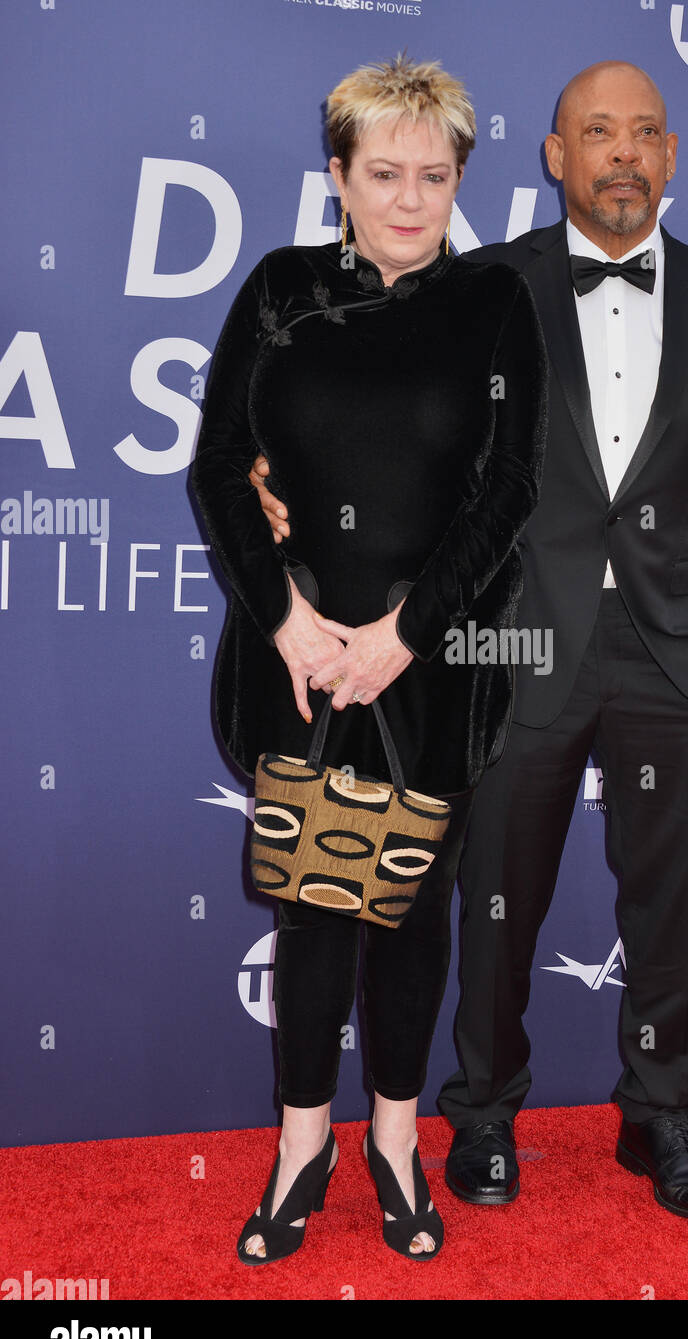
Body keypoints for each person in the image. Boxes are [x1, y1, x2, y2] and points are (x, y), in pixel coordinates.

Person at [252, 59, 688, 1224]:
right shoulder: (484, 286)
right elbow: (390, 438)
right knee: (495, 894)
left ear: (671, 155)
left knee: (675, 908)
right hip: (510, 646)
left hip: (681, 652)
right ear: (555, 156)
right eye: (595, 131)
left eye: (644, 132)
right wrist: (270, 476)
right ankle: (483, 1112)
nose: (621, 153)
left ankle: (660, 1119)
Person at [191, 54, 546, 1264]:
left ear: (458, 179)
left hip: (429, 662)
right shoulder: (283, 289)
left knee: (409, 911)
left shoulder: (495, 303)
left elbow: (507, 493)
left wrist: (406, 636)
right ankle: (302, 1144)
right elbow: (216, 463)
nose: (408, 199)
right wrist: (287, 616)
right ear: (336, 176)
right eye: (382, 174)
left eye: (433, 176)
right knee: (312, 908)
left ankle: (394, 1140)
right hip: (295, 655)